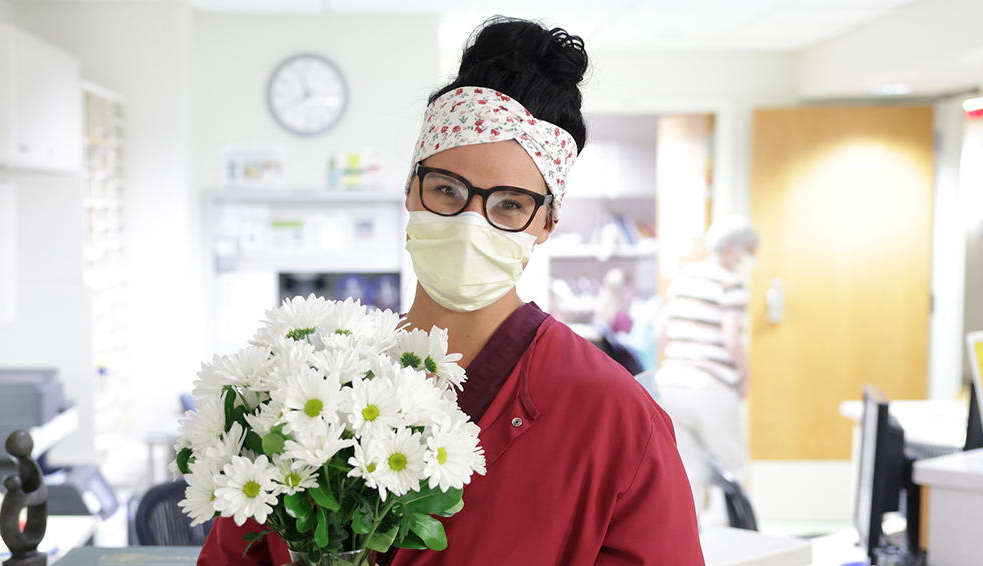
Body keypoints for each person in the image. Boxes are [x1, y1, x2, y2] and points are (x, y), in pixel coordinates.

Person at [199, 17, 703, 566]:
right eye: (447, 190)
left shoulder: (614, 419)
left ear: (546, 223)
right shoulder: (309, 391)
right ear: (411, 189)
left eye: (508, 205)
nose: (471, 224)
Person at [654, 217, 760, 514]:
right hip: (710, 386)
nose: (748, 260)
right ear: (729, 247)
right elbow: (732, 339)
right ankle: (738, 548)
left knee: (689, 471)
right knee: (733, 467)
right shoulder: (731, 283)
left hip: (671, 385)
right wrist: (746, 377)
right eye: (747, 251)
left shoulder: (683, 278)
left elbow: (660, 334)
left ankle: (692, 549)